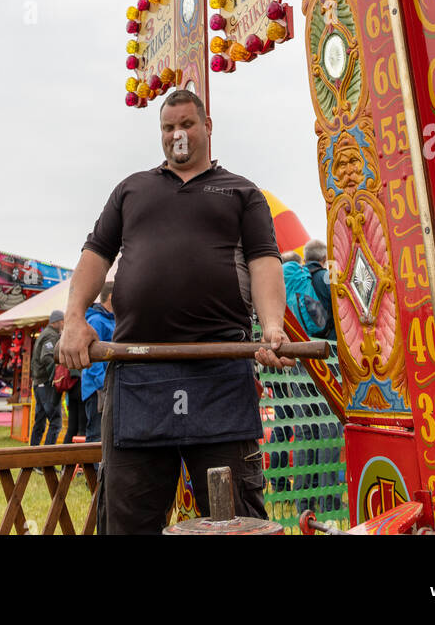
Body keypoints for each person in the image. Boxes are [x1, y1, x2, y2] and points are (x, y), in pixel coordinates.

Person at [59, 88, 292, 535]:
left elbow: (265, 261)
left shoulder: (242, 192)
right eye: (168, 127)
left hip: (220, 371)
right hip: (137, 372)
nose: (177, 134)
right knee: (127, 521)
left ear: (207, 127)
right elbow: (94, 254)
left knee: (236, 523)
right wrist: (74, 319)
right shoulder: (131, 189)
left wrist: (272, 327)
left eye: (186, 124)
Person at [81, 284, 114, 443]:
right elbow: (92, 356)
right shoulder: (96, 320)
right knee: (96, 434)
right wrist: (103, 384)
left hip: (105, 386)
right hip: (98, 388)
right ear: (111, 297)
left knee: (104, 433)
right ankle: (92, 468)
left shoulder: (107, 319)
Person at [29, 311, 63, 447]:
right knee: (55, 422)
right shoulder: (51, 335)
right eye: (64, 321)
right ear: (59, 321)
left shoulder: (45, 333)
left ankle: (32, 459)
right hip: (45, 384)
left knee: (40, 421)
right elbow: (47, 356)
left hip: (38, 383)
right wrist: (56, 375)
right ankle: (46, 461)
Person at [303, 239, 335, 342]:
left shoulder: (296, 276)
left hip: (302, 339)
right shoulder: (329, 276)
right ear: (325, 259)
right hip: (329, 341)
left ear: (304, 259)